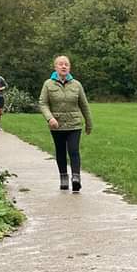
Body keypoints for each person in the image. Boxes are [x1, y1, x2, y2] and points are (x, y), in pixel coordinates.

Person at [38, 56, 92, 192]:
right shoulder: (48, 84)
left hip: (74, 124)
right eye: (60, 64)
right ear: (55, 67)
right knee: (60, 151)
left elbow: (84, 105)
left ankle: (76, 178)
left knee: (74, 150)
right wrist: (50, 118)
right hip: (57, 125)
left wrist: (88, 122)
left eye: (66, 64)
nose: (64, 66)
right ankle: (63, 177)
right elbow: (43, 103)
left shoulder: (76, 85)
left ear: (69, 67)